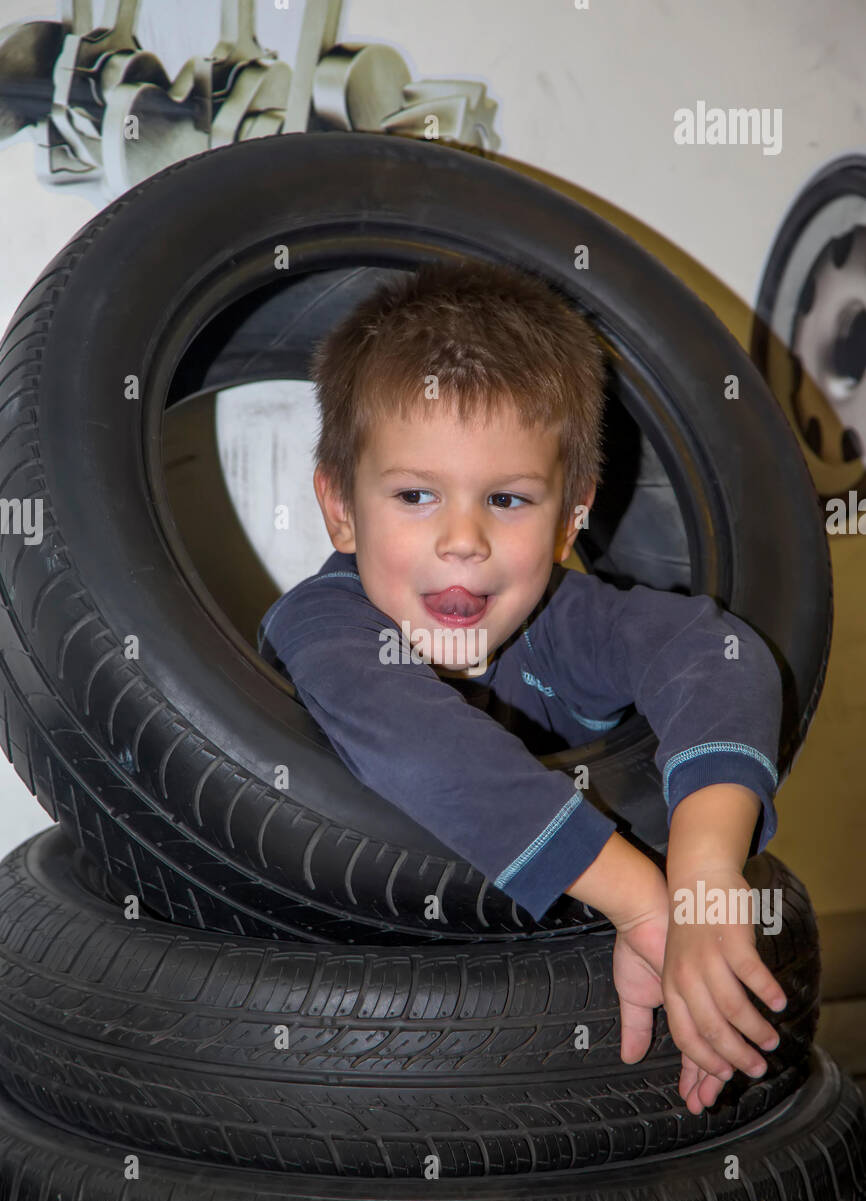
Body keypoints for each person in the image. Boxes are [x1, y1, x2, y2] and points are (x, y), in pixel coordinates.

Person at [259, 259, 787, 1117]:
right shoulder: (321, 627)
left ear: (571, 519)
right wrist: (644, 902)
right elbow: (427, 751)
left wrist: (703, 872)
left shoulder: (568, 621)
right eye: (417, 495)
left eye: (507, 499)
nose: (463, 539)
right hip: (343, 1024)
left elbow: (716, 656)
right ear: (342, 510)